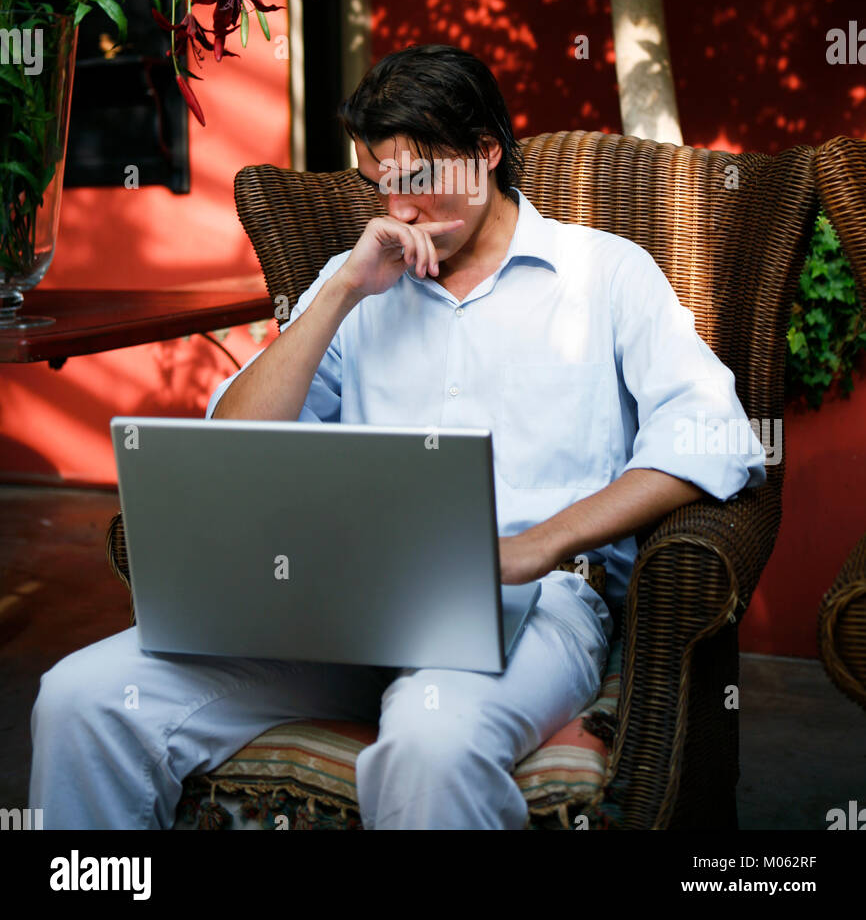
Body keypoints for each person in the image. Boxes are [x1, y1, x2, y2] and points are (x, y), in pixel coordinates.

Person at [29, 43, 766, 830]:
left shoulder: (605, 274)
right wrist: (342, 291)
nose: (401, 211)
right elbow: (234, 443)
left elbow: (713, 437)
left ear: (486, 152)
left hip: (530, 602)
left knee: (431, 743)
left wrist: (535, 546)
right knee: (82, 698)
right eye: (384, 186)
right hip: (338, 604)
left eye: (420, 183)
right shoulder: (358, 281)